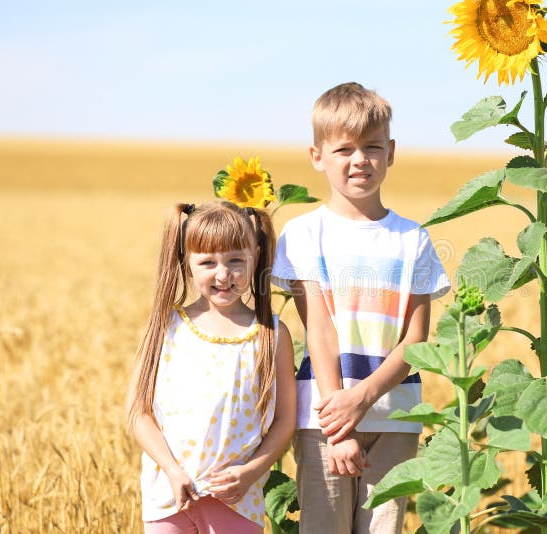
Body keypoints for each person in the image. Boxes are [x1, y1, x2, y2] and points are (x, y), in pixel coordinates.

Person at [272, 82, 451, 533]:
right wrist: (341, 424)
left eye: (372, 148)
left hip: (395, 416)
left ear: (391, 152)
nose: (359, 160)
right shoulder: (303, 235)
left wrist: (364, 397)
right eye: (344, 149)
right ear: (317, 156)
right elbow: (320, 331)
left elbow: (416, 340)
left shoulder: (414, 240)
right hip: (325, 419)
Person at [126, 201, 296, 533]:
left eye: (236, 260)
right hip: (168, 497)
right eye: (207, 262)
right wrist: (173, 471)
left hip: (238, 501)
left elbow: (285, 419)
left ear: (255, 257)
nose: (223, 274)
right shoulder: (166, 327)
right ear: (186, 264)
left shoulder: (271, 335)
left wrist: (250, 474)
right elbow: (138, 412)